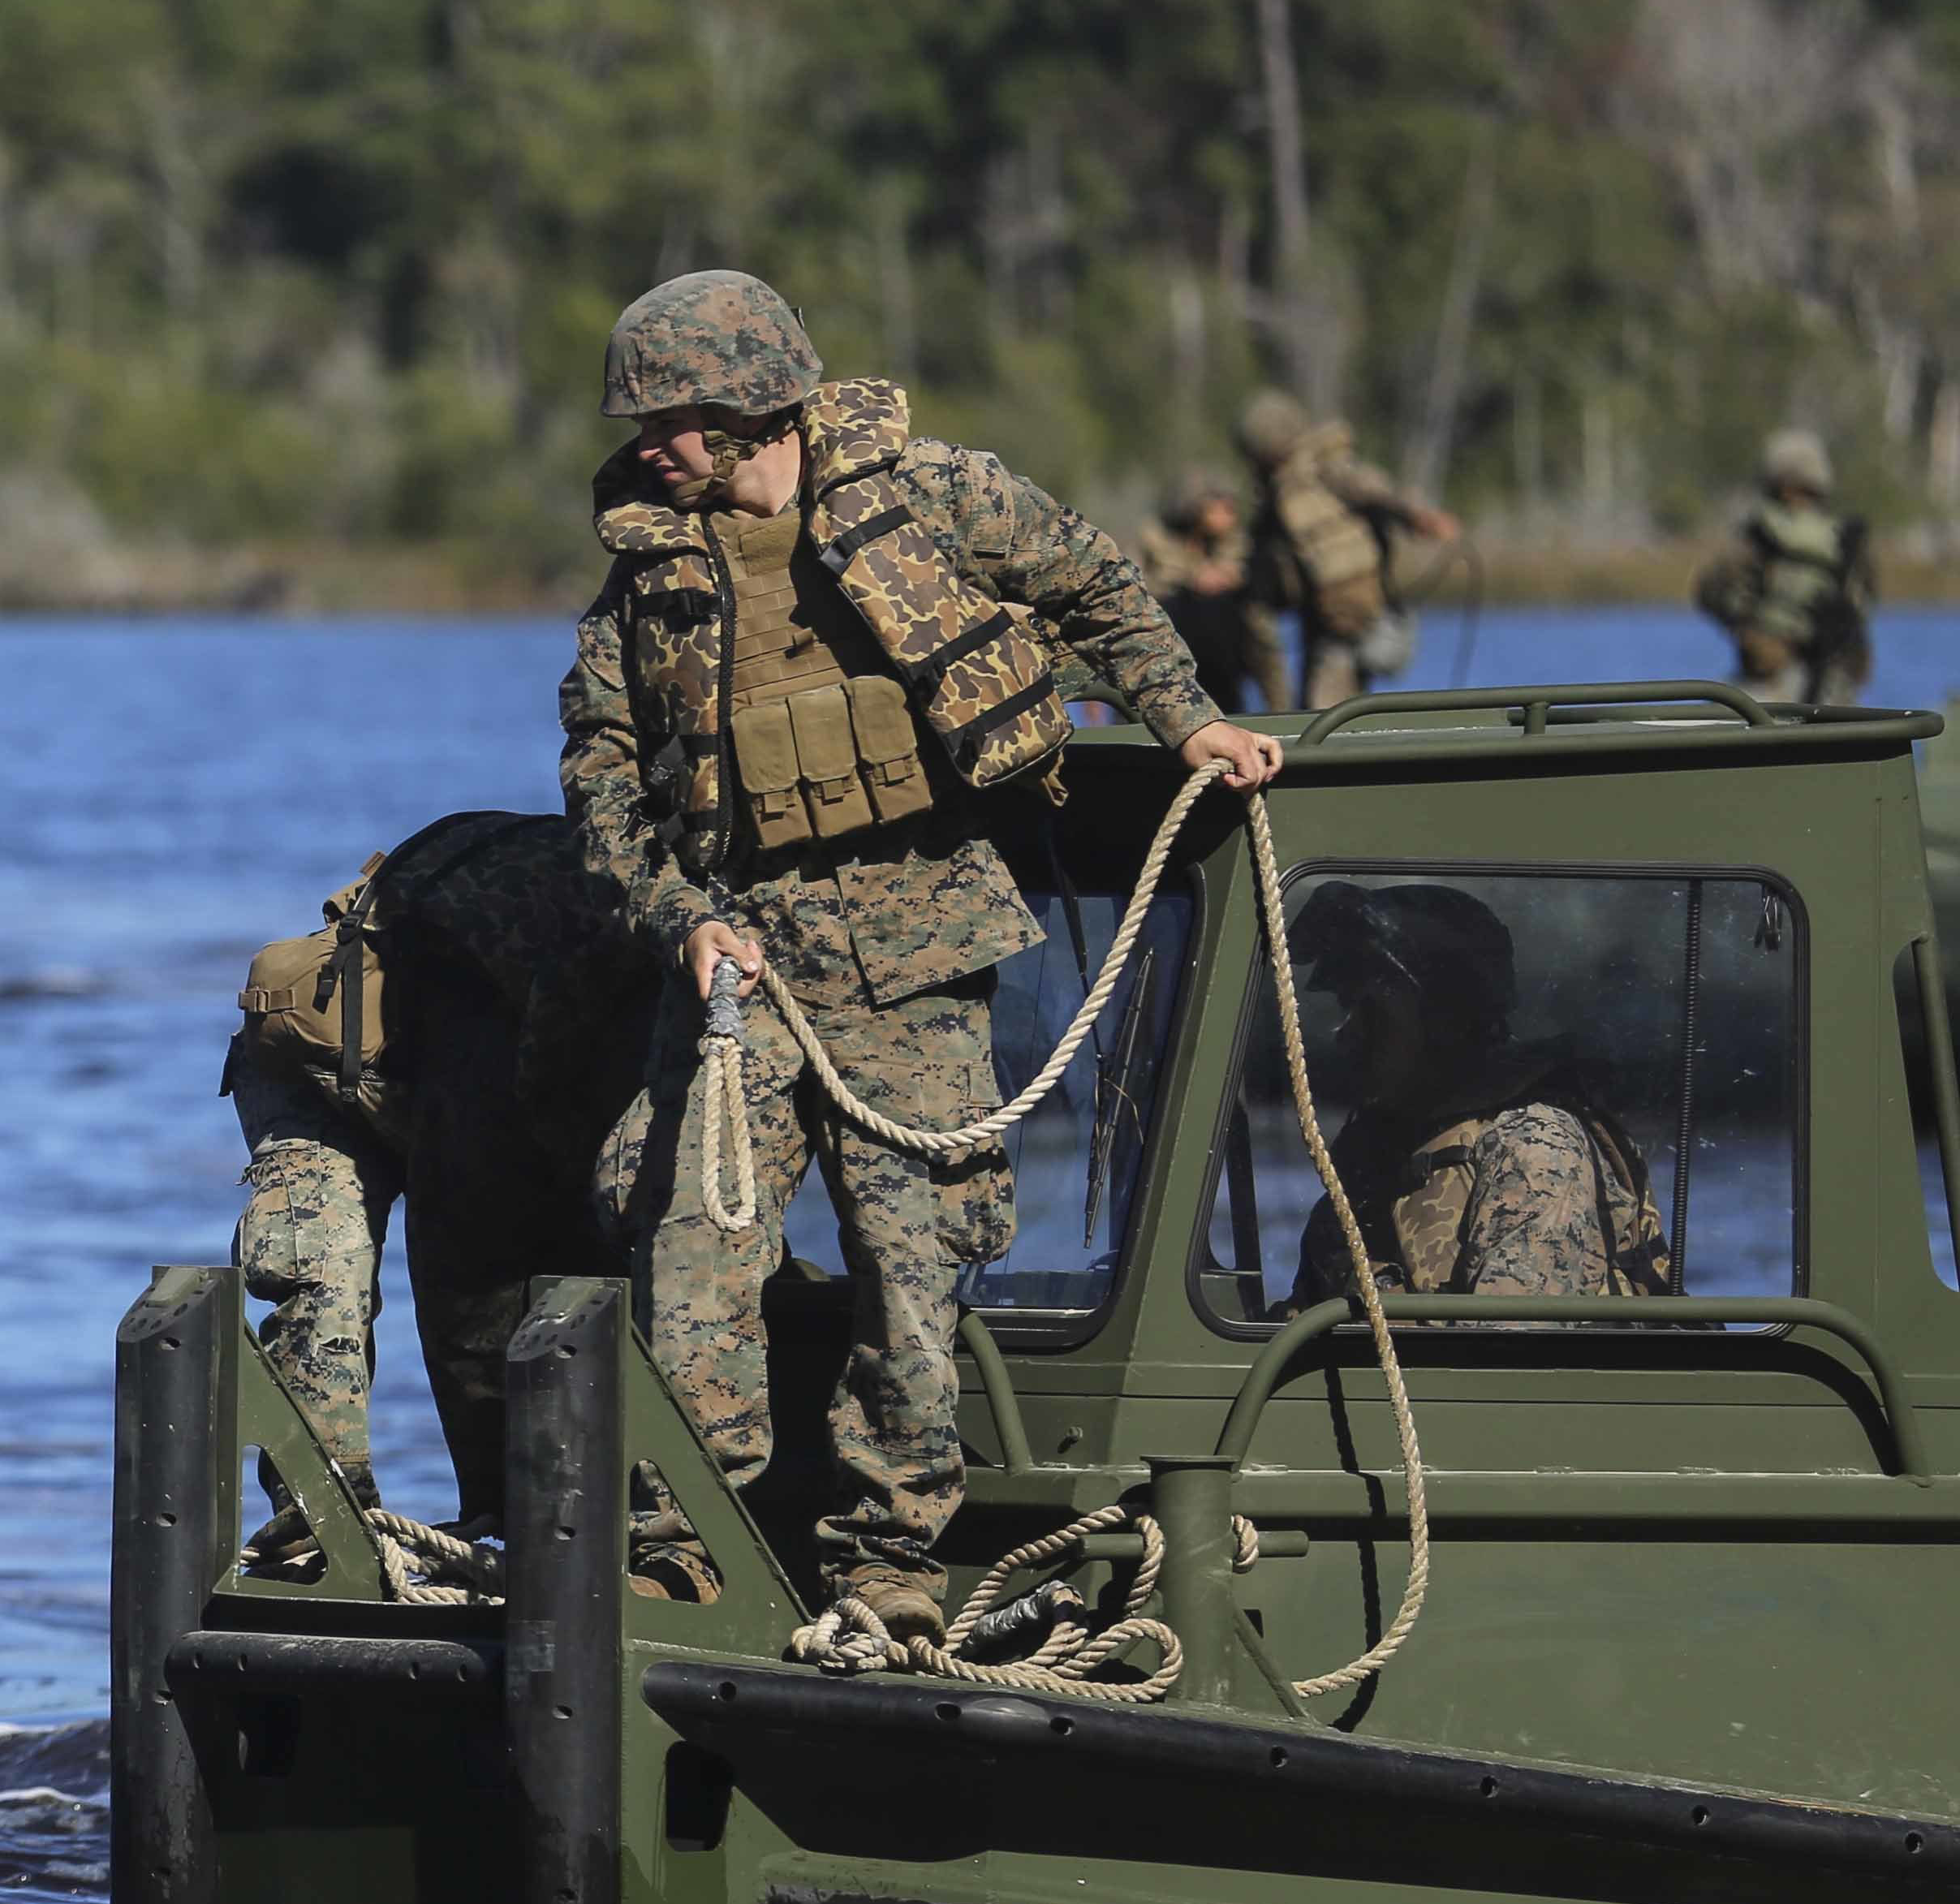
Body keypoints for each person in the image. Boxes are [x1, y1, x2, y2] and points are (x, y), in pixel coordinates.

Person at [559, 269, 1283, 1638]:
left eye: (672, 417)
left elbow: (1094, 581)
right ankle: (677, 1567)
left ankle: (889, 1573)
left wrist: (1189, 722)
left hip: (915, 948)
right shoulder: (648, 573)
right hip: (743, 968)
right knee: (693, 1263)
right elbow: (601, 778)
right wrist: (680, 917)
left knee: (915, 1270)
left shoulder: (936, 497)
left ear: (749, 405)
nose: (647, 444)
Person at [228, 811, 641, 1550]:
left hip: (427, 1054)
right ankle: (319, 1531)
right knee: (317, 1269)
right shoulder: (543, 965)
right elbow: (469, 1266)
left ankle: (561, 1518)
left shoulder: (631, 937)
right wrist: (500, 1509)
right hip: (319, 1069)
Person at [1285, 883, 1674, 1305]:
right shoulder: (1380, 1151)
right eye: (1347, 1008)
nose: (1347, 1035)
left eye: (1372, 1012)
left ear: (1444, 1022)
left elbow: (1510, 1355)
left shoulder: (1534, 1148)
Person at [1232, 390, 1460, 710]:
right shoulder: (1276, 490)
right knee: (1316, 703)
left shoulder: (1323, 468)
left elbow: (1374, 490)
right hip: (1316, 615)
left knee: (1326, 707)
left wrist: (1416, 516)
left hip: (1350, 617)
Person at [1696, 429, 1876, 708]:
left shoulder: (1759, 534)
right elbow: (1863, 610)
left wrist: (1746, 629)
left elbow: (1710, 592)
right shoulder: (1844, 541)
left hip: (1765, 684)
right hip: (1834, 691)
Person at [1139, 474, 1282, 716]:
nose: (1228, 515)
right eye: (1219, 507)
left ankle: (1278, 711)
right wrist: (1191, 577)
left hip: (1225, 650)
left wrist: (1228, 576)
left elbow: (1243, 569)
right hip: (1176, 632)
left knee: (1258, 631)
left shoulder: (1233, 542)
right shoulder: (1157, 538)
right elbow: (1147, 582)